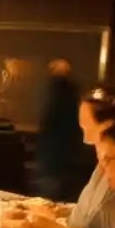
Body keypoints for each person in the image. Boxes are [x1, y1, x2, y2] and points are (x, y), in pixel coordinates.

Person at [0, 84, 115, 228]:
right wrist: (59, 211)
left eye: (87, 127)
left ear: (109, 126)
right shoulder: (104, 162)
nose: (85, 138)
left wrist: (43, 225)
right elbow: (89, 216)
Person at [35, 59, 85, 202]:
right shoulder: (73, 93)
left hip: (54, 148)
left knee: (51, 186)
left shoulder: (52, 92)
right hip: (67, 147)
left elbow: (48, 117)